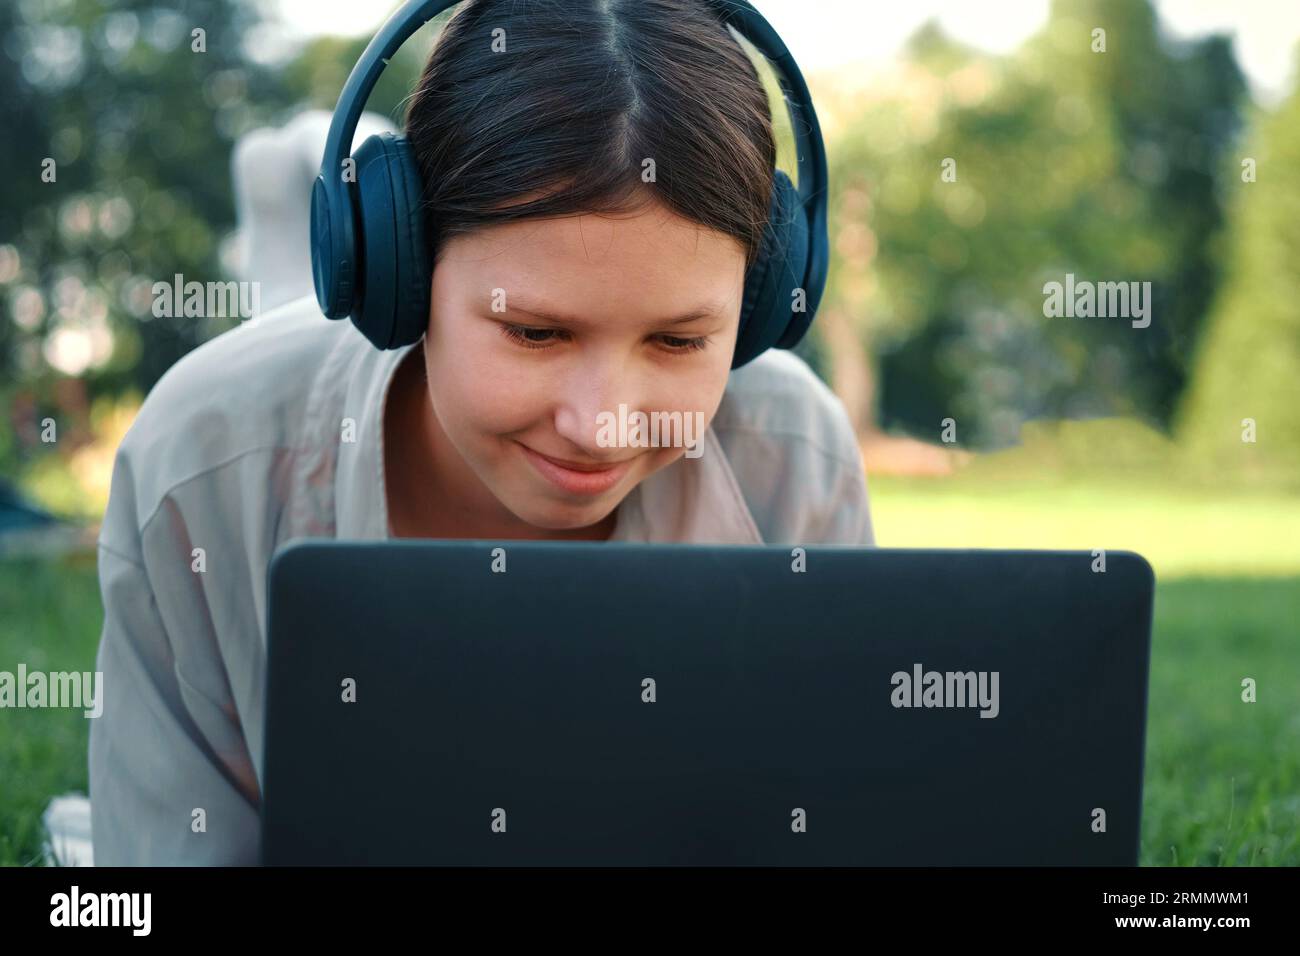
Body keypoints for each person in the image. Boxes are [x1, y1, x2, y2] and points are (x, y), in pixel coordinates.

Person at [89, 0, 875, 865]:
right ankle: (278, 224)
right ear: (401, 269)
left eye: (680, 341)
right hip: (276, 383)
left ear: (761, 306)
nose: (599, 424)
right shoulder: (201, 459)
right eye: (536, 333)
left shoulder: (797, 455)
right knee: (275, 322)